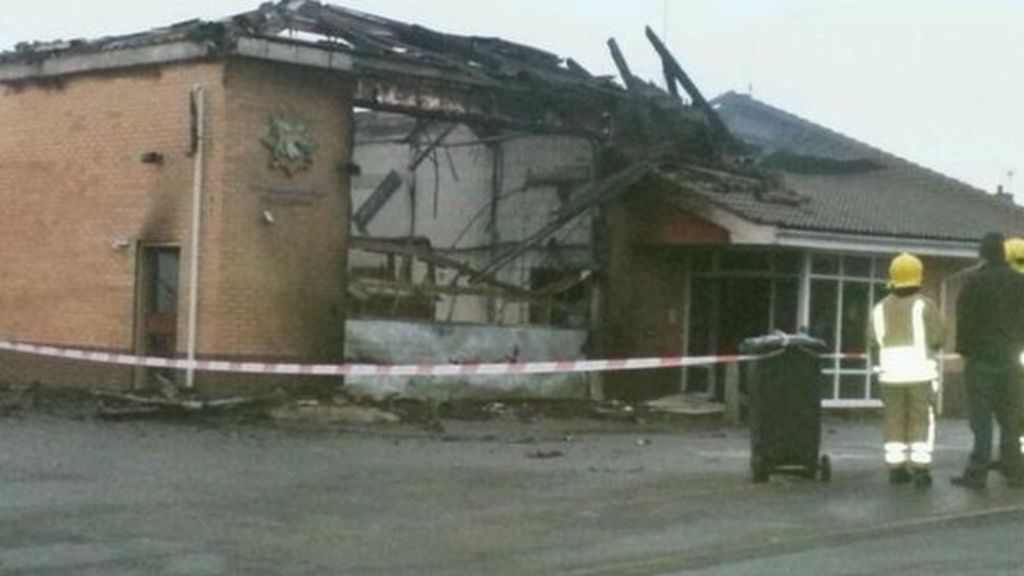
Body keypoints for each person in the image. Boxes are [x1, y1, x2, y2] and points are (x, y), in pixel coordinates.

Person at [952, 232, 1024, 489]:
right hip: (1012, 361)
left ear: (982, 253)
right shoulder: (1019, 282)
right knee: (1011, 418)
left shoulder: (974, 282)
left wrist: (964, 351)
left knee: (981, 420)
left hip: (981, 361)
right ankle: (1015, 472)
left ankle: (977, 471)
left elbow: (964, 320)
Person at [869, 253, 945, 487]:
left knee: (894, 419)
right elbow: (939, 336)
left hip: (889, 374)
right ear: (918, 278)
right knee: (921, 419)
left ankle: (896, 468)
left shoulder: (879, 308)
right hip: (920, 373)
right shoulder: (925, 305)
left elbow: (873, 341)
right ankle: (920, 469)